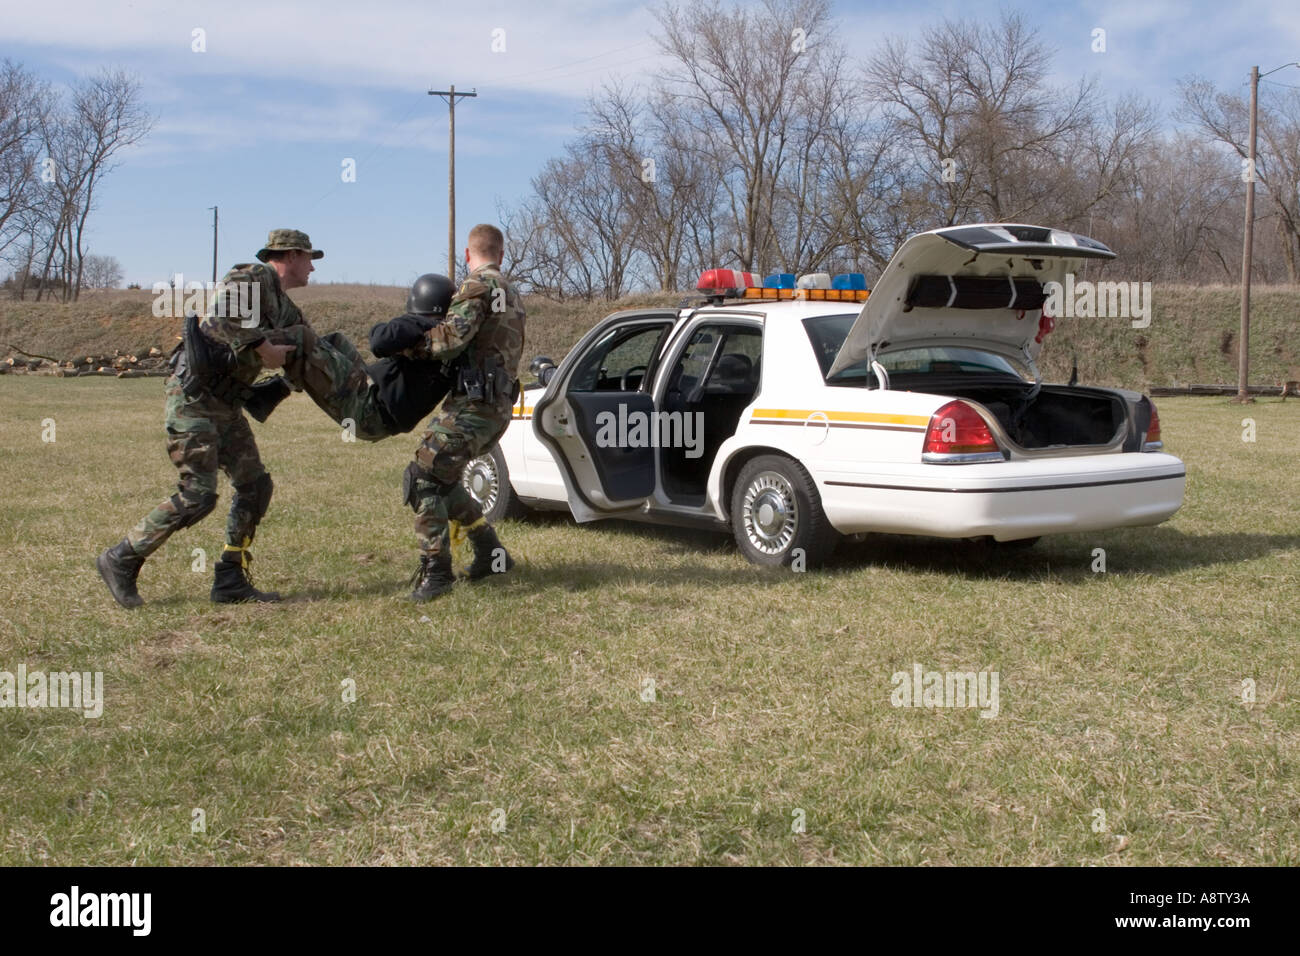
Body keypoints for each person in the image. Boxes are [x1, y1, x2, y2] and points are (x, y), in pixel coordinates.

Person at [96, 228, 322, 607]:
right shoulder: (251, 277)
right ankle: (122, 557)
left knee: (255, 485)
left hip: (226, 405)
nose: (313, 268)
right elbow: (222, 314)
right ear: (291, 255)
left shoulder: (284, 306)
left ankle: (231, 577)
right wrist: (263, 346)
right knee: (198, 494)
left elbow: (305, 342)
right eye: (309, 258)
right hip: (194, 397)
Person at [405, 224, 526, 601]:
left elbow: (449, 340)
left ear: (467, 256)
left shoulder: (477, 287)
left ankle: (437, 571)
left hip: (474, 407)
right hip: (498, 408)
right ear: (501, 255)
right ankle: (491, 553)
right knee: (445, 477)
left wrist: (406, 342)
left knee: (423, 476)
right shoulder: (513, 294)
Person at [282, 273, 458, 441]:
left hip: (368, 410)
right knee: (336, 341)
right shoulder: (449, 340)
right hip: (374, 402)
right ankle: (278, 388)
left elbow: (379, 341)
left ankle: (258, 349)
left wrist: (412, 321)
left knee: (301, 338)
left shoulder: (423, 329)